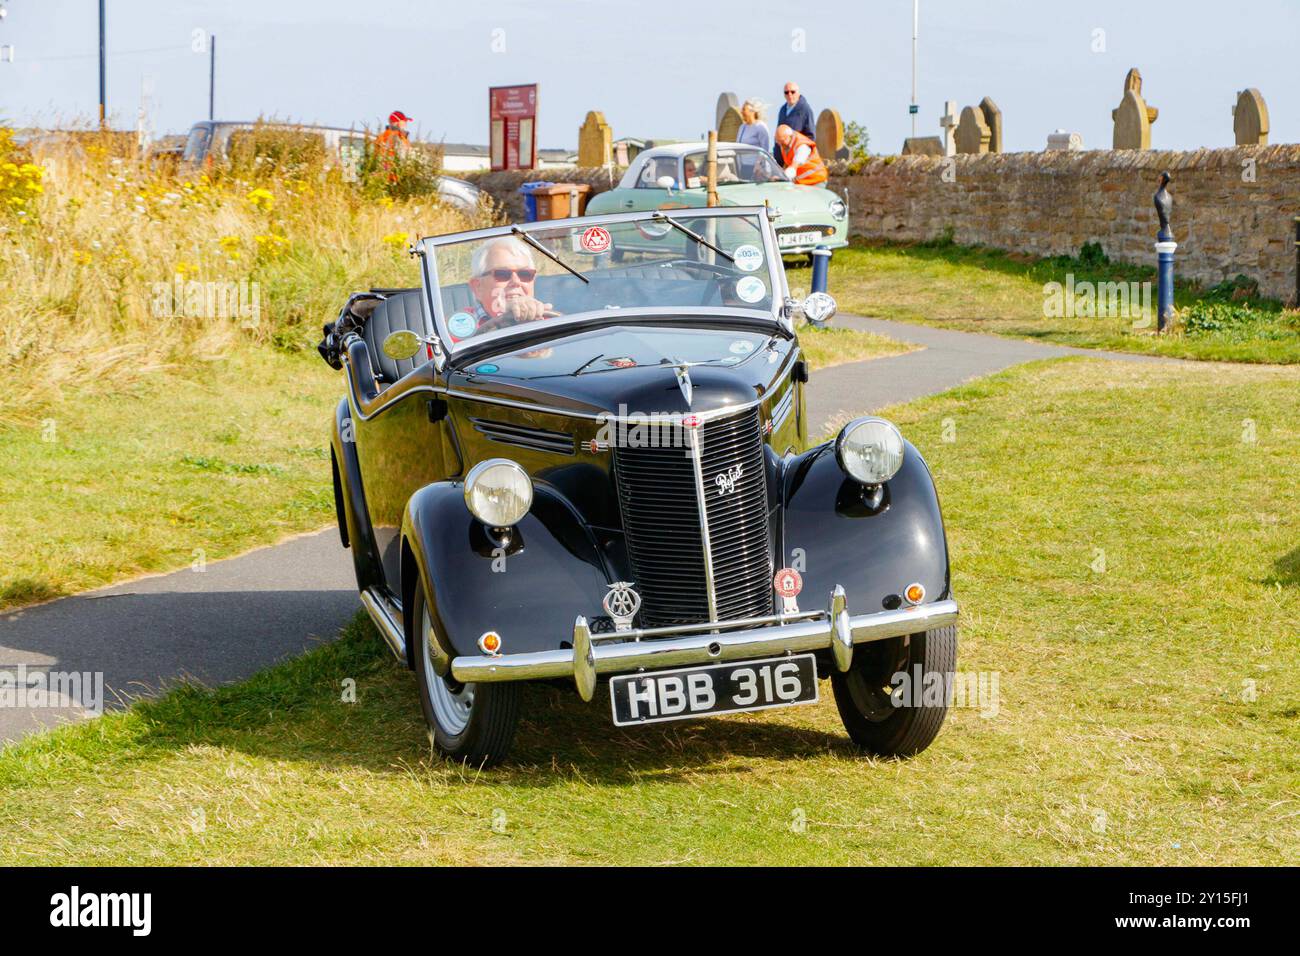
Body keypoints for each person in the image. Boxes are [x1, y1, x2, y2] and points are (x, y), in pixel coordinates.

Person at [457, 237, 556, 337]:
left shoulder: (550, 322)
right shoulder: (458, 329)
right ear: (478, 287)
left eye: (525, 274)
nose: (516, 282)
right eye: (502, 274)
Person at [772, 82, 816, 164]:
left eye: (792, 92)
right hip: (781, 158)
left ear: (798, 93)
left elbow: (811, 136)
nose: (789, 94)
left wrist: (800, 155)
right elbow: (779, 133)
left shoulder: (805, 110)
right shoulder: (783, 109)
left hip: (797, 159)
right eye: (786, 92)